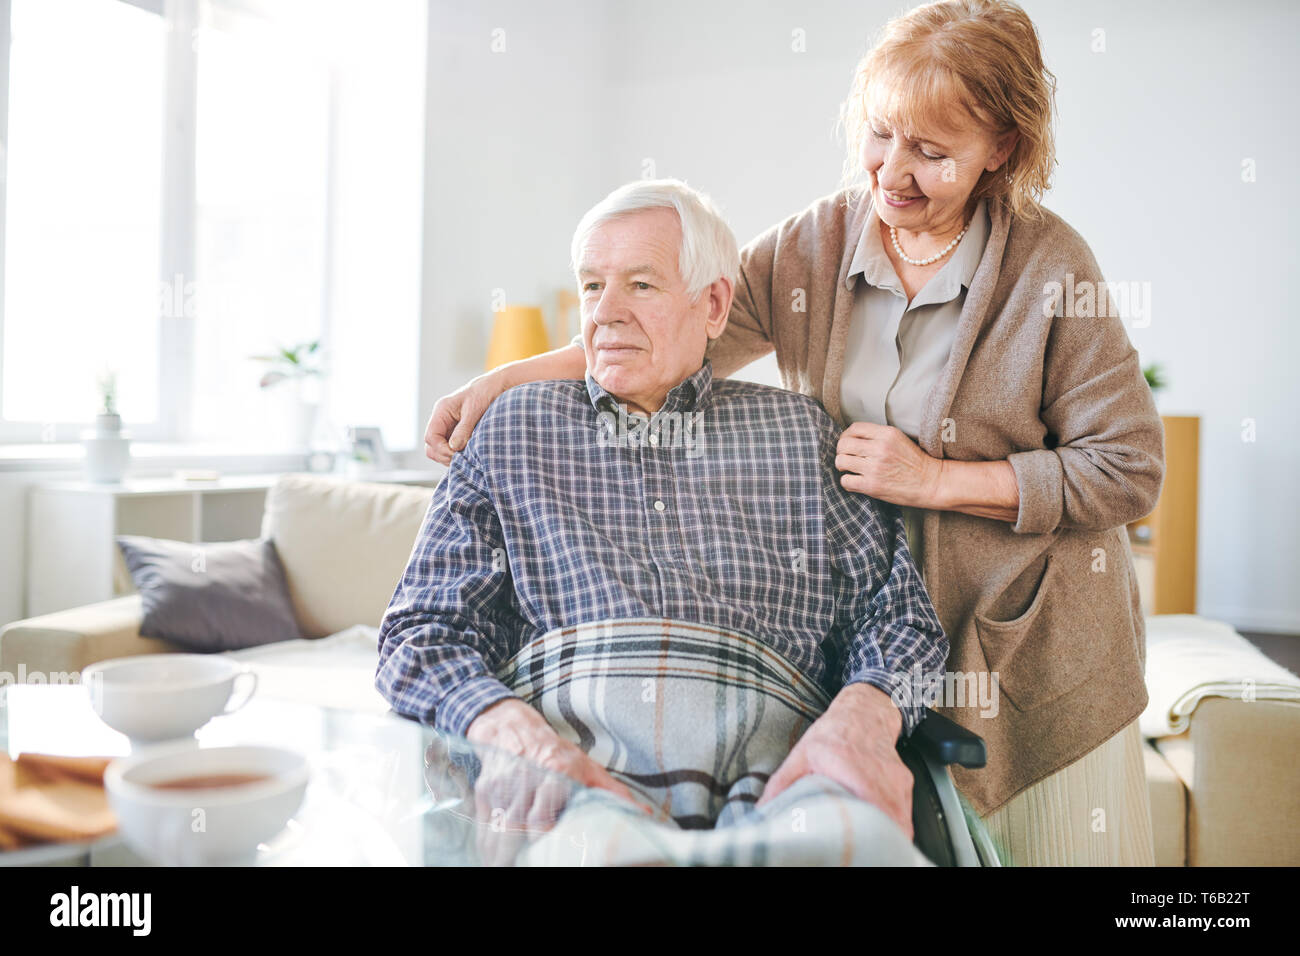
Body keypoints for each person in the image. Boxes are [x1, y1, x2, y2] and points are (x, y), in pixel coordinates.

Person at [421, 0, 1164, 866]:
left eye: (932, 151)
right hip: (885, 629)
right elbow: (673, 328)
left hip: (1025, 631)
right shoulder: (820, 242)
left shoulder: (1049, 266)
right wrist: (503, 381)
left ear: (1000, 148)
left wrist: (937, 480)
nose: (893, 172)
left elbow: (1129, 468)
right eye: (882, 134)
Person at [377, 179, 948, 858]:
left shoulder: (804, 434)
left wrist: (860, 722)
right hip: (571, 774)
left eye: (641, 286)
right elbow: (420, 631)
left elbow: (902, 620)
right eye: (592, 287)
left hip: (786, 779)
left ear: (713, 305)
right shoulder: (512, 431)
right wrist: (515, 739)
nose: (606, 314)